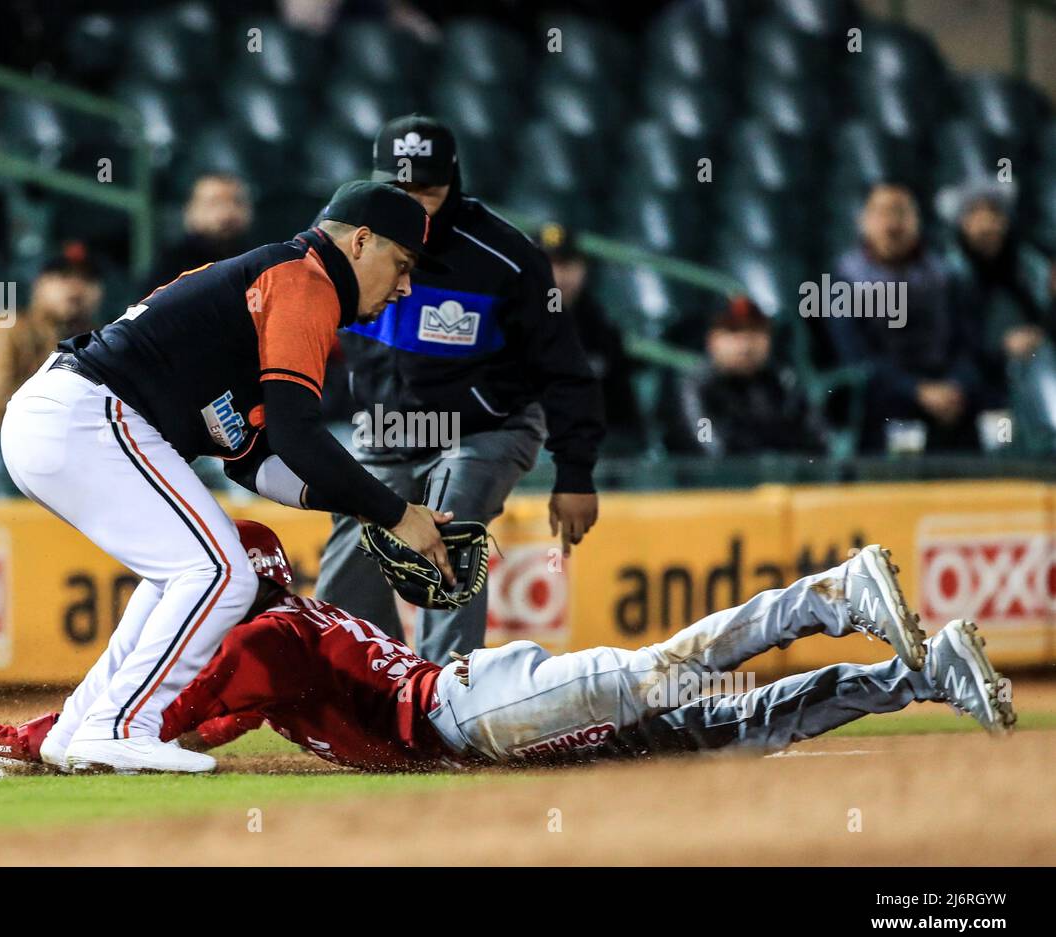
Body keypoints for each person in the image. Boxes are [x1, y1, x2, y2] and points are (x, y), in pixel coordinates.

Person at [0, 520, 1014, 774]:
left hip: (476, 715)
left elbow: (170, 718)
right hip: (476, 713)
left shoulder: (265, 632)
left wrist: (36, 735)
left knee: (665, 681)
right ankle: (916, 674)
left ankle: (827, 593)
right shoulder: (286, 627)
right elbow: (216, 715)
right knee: (716, 735)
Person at [0, 180, 456, 774]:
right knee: (219, 573)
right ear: (361, 242)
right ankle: (118, 727)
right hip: (88, 415)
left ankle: (81, 725)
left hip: (63, 419)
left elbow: (253, 457)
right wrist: (396, 513)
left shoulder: (280, 283)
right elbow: (299, 435)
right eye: (401, 263)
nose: (405, 286)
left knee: (184, 576)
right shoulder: (305, 278)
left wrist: (365, 507)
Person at [315, 115, 606, 664]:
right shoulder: (341, 241)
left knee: (448, 527)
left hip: (488, 428)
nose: (411, 203)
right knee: (352, 558)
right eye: (398, 189)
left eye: (427, 191)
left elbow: (564, 369)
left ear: (455, 183)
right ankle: (376, 685)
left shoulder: (505, 256)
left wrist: (575, 471)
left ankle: (447, 699)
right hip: (387, 429)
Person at [829, 182, 981, 452]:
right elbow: (855, 358)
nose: (892, 223)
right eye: (882, 212)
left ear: (917, 221)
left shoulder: (944, 277)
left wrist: (957, 385)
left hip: (947, 393)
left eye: (901, 212)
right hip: (884, 396)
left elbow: (968, 345)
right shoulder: (844, 281)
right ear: (863, 221)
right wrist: (916, 390)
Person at [663, 296, 829, 456]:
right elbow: (708, 450)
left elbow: (817, 444)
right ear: (712, 339)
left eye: (755, 330)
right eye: (733, 330)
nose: (745, 343)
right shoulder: (695, 387)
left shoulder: (782, 382)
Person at [944, 183, 1056, 410]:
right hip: (979, 375)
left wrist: (1039, 332)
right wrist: (1000, 347)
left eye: (994, 213)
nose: (987, 223)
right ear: (962, 223)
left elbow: (1045, 313)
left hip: (1034, 363)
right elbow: (953, 340)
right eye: (975, 214)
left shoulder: (1031, 264)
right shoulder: (950, 273)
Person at [536, 222, 644, 447]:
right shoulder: (505, 320)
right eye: (548, 264)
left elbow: (624, 414)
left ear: (582, 269)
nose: (559, 276)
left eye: (566, 264)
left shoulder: (601, 330)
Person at [0, 243, 102, 431]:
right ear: (39, 284)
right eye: (63, 277)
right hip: (18, 438)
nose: (76, 287)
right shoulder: (10, 326)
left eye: (87, 279)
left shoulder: (98, 337)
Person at [142, 172, 254, 290]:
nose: (227, 213)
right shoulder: (170, 269)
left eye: (237, 202)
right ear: (190, 211)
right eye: (214, 203)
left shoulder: (261, 263)